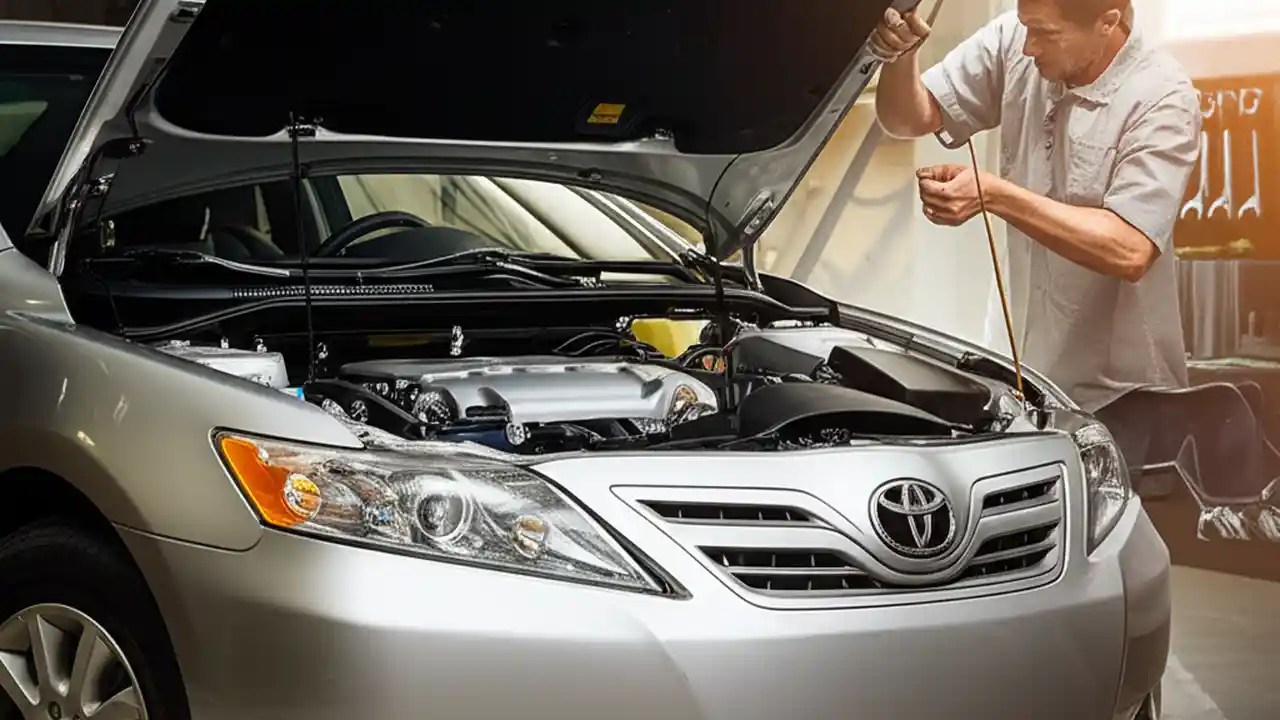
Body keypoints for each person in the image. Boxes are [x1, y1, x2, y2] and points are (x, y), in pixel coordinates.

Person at [870, 0, 1280, 518]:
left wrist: (996, 196)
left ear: (1109, 21)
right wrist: (899, 54)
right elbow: (906, 116)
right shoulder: (1016, 40)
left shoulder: (1161, 95)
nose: (1027, 46)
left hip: (1122, 395)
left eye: (1043, 33)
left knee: (1112, 570)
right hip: (1023, 380)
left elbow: (1129, 247)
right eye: (1025, 26)